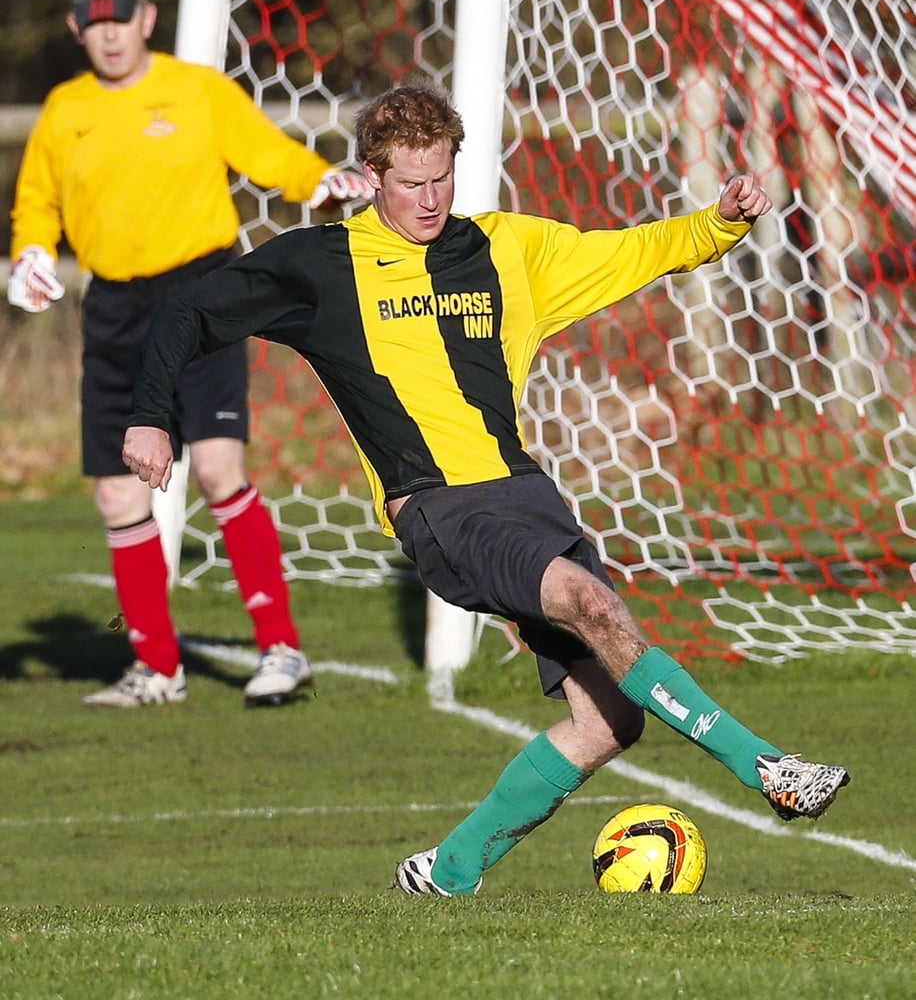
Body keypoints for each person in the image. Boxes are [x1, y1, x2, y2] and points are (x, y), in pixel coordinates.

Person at [121, 82, 850, 893]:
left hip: (526, 496)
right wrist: (152, 417)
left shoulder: (507, 249)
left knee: (609, 720)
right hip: (437, 506)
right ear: (371, 176)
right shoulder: (321, 265)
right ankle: (770, 770)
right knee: (595, 605)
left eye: (442, 177)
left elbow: (632, 251)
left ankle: (453, 870)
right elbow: (188, 310)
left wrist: (719, 224)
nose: (429, 199)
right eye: (409, 182)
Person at [7, 0, 374, 708]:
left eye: (121, 18)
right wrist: (30, 256)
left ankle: (281, 651)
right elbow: (36, 204)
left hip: (202, 295)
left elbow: (272, 157)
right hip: (112, 306)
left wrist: (321, 182)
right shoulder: (65, 109)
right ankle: (157, 668)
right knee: (117, 491)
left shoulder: (198, 91)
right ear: (78, 31)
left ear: (147, 17)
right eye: (93, 21)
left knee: (213, 467)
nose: (109, 33)